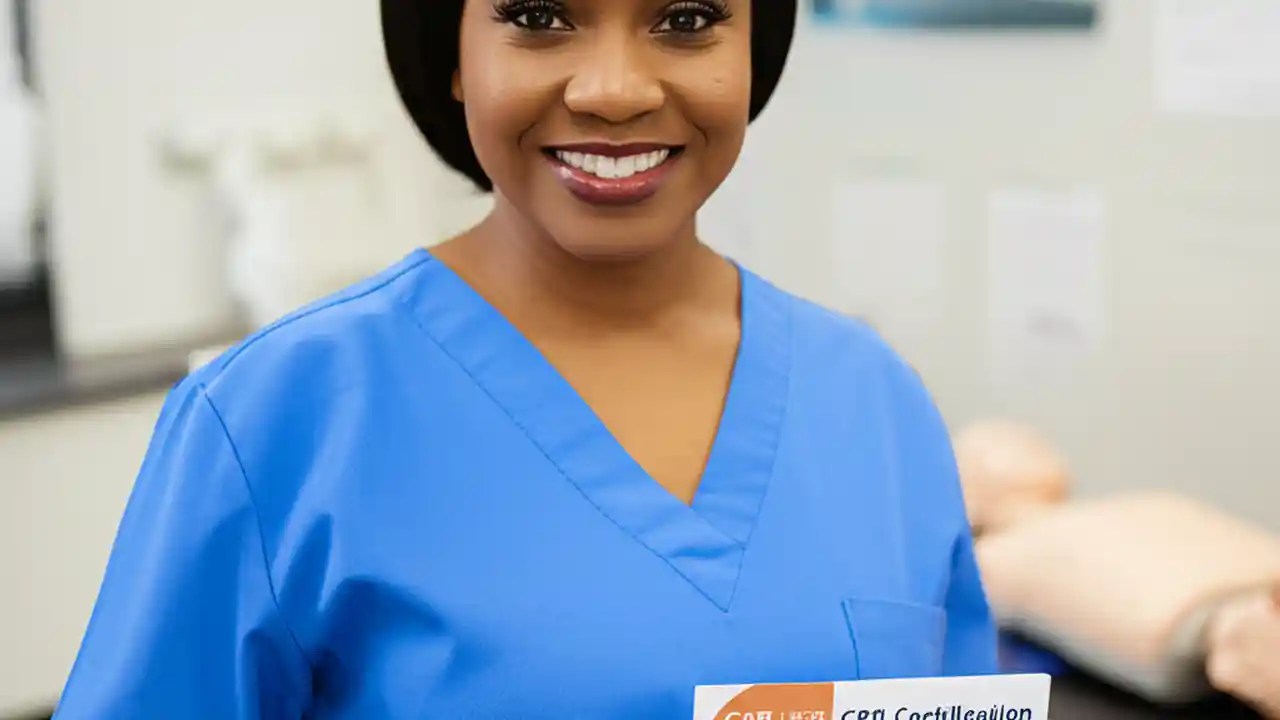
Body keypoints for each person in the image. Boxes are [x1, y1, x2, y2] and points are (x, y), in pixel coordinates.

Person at [55, 1, 998, 716]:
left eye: (687, 19)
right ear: (453, 56)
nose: (615, 88)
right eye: (539, 17)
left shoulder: (874, 402)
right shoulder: (273, 420)